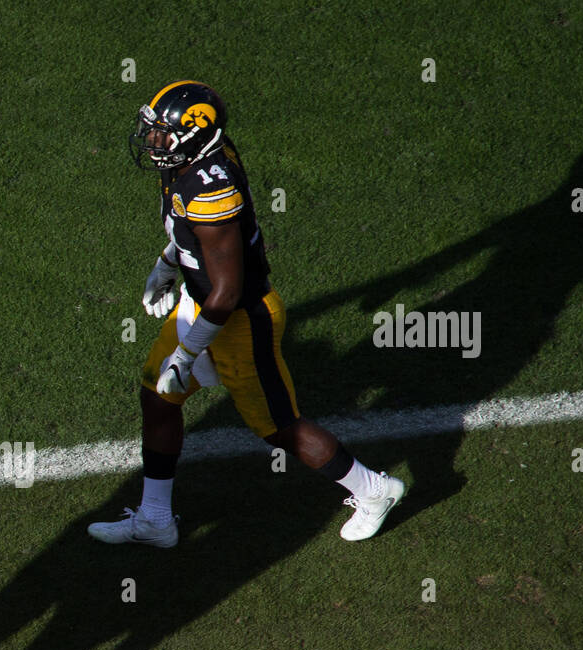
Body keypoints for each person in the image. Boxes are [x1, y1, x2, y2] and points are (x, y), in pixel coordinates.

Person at [89, 81, 404, 549]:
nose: (152, 142)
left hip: (238, 318)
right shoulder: (188, 162)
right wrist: (167, 263)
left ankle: (375, 490)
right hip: (203, 301)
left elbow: (227, 290)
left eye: (161, 135)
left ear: (192, 139)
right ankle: (155, 519)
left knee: (279, 427)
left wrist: (186, 353)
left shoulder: (212, 190)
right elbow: (186, 230)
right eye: (151, 131)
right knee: (158, 396)